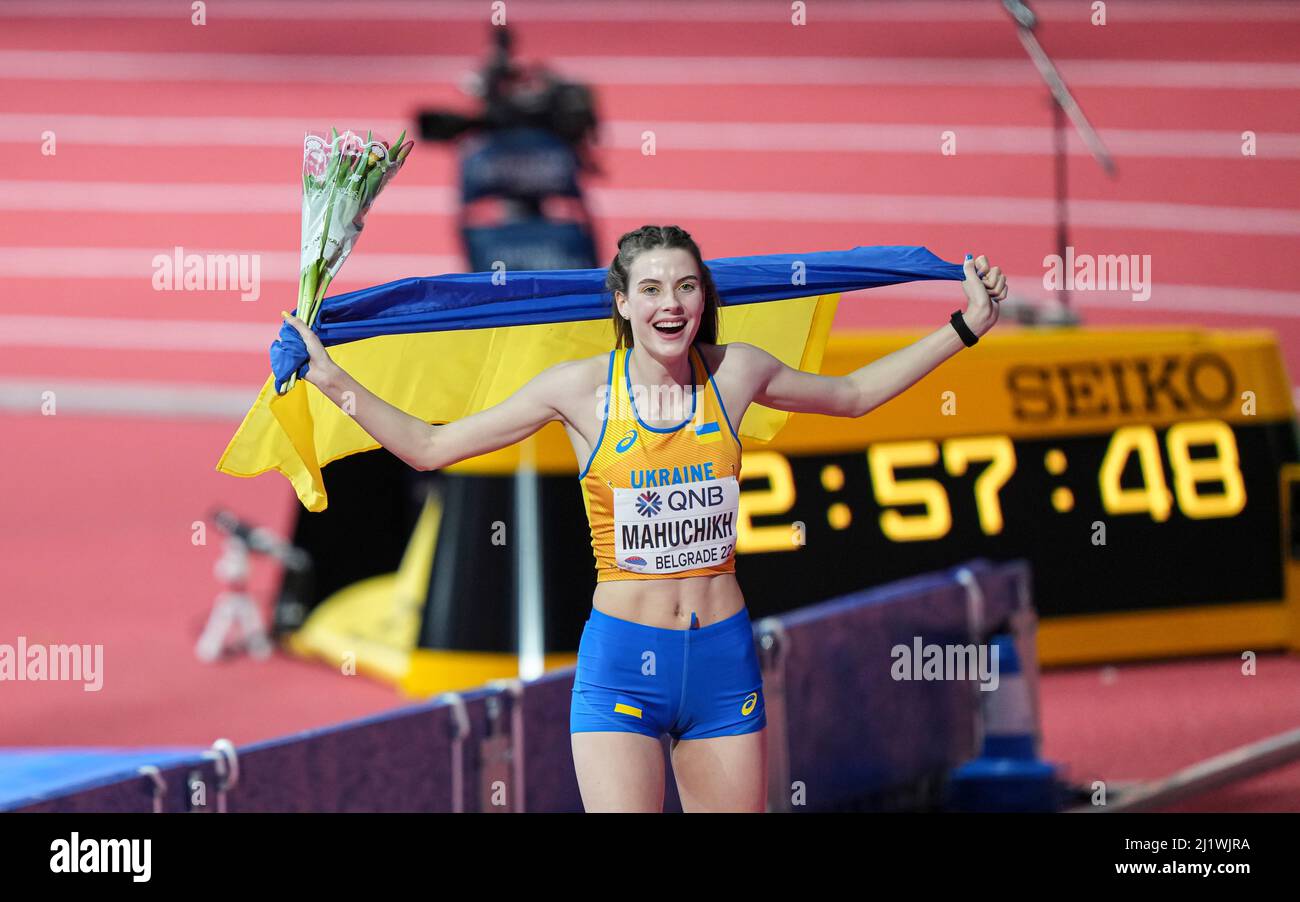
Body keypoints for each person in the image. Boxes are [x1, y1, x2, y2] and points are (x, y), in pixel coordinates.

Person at [281, 224, 1006, 812]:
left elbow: (850, 394)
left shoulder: (738, 372)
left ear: (703, 298)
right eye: (653, 288)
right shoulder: (578, 391)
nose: (672, 303)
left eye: (687, 287)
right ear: (622, 303)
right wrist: (327, 376)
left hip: (722, 663)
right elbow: (431, 447)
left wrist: (965, 328)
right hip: (623, 669)